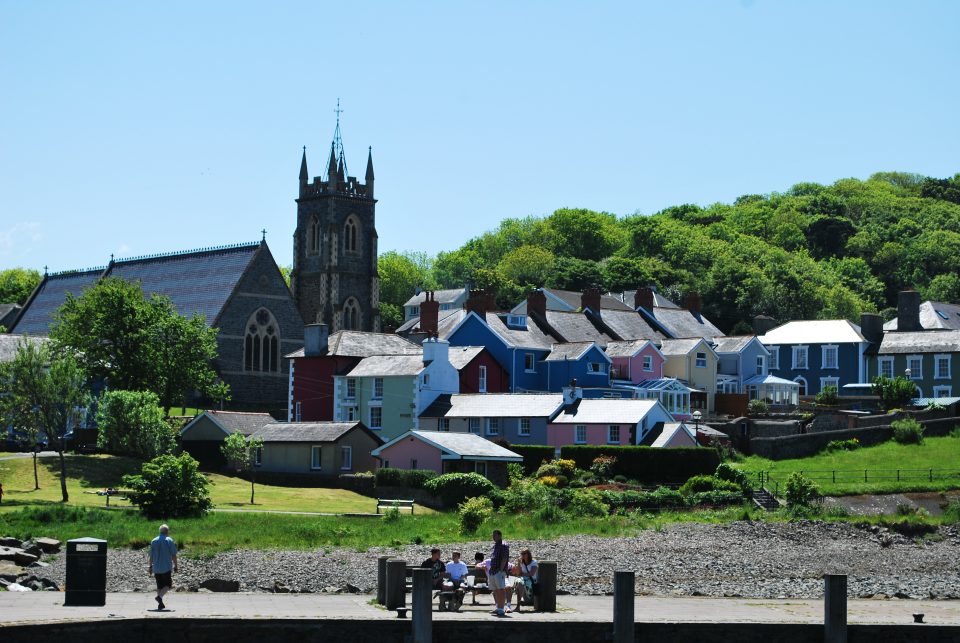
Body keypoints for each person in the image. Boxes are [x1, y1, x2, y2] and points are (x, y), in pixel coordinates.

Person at [148, 524, 178, 610]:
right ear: (167, 532)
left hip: (156, 567)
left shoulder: (154, 541)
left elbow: (151, 556)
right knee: (168, 584)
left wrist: (150, 566)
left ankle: (160, 603)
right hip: (166, 567)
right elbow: (174, 555)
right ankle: (159, 597)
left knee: (159, 586)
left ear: (160, 531)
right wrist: (176, 566)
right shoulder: (169, 541)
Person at [488, 529, 510, 616]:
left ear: (500, 535)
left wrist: (501, 570)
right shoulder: (495, 545)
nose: (493, 537)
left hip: (499, 571)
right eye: (493, 535)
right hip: (493, 570)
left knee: (501, 589)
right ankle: (498, 607)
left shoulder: (504, 545)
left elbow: (504, 558)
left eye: (495, 535)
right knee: (496, 590)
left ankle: (501, 608)